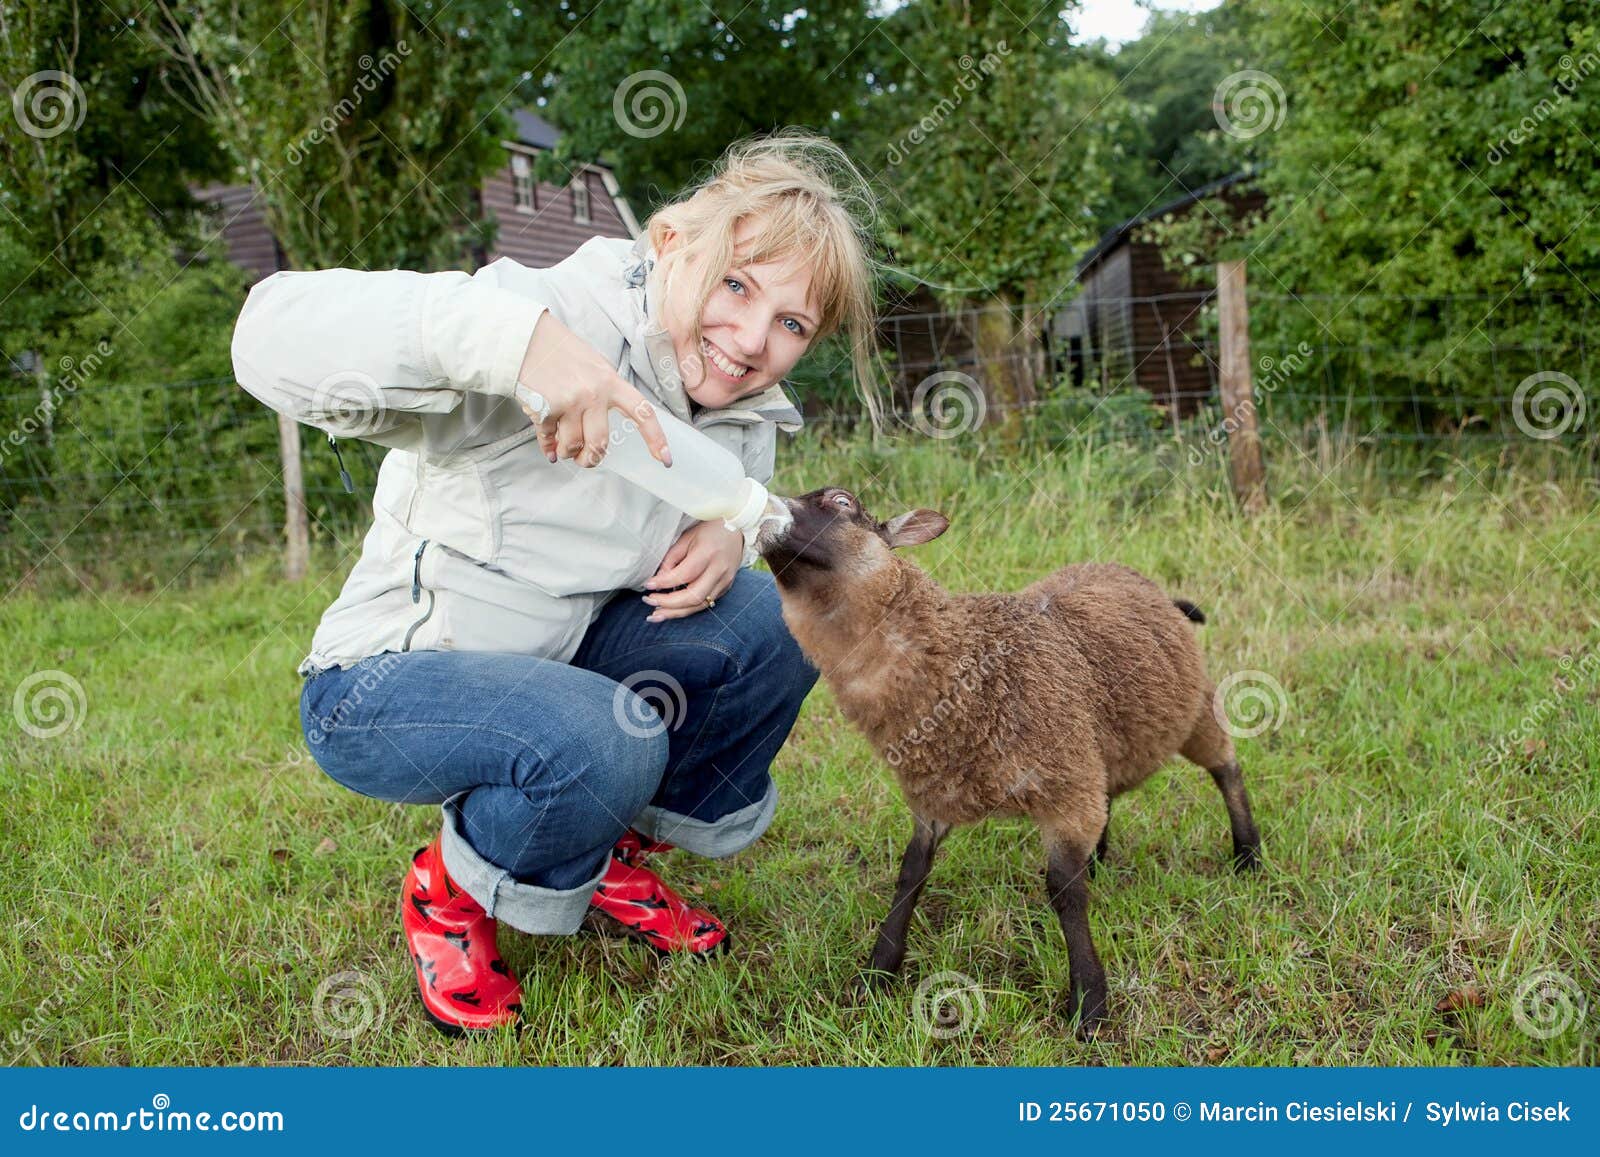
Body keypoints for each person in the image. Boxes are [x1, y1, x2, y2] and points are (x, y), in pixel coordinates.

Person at [230, 130, 882, 1034]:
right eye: (735, 285)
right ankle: (450, 892)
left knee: (784, 615)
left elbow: (728, 486)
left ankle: (601, 846)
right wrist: (523, 347)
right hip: (383, 679)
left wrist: (733, 529)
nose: (750, 339)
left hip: (562, 652)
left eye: (792, 323)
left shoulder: (739, 406)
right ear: (669, 246)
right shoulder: (545, 309)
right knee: (604, 737)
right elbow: (270, 330)